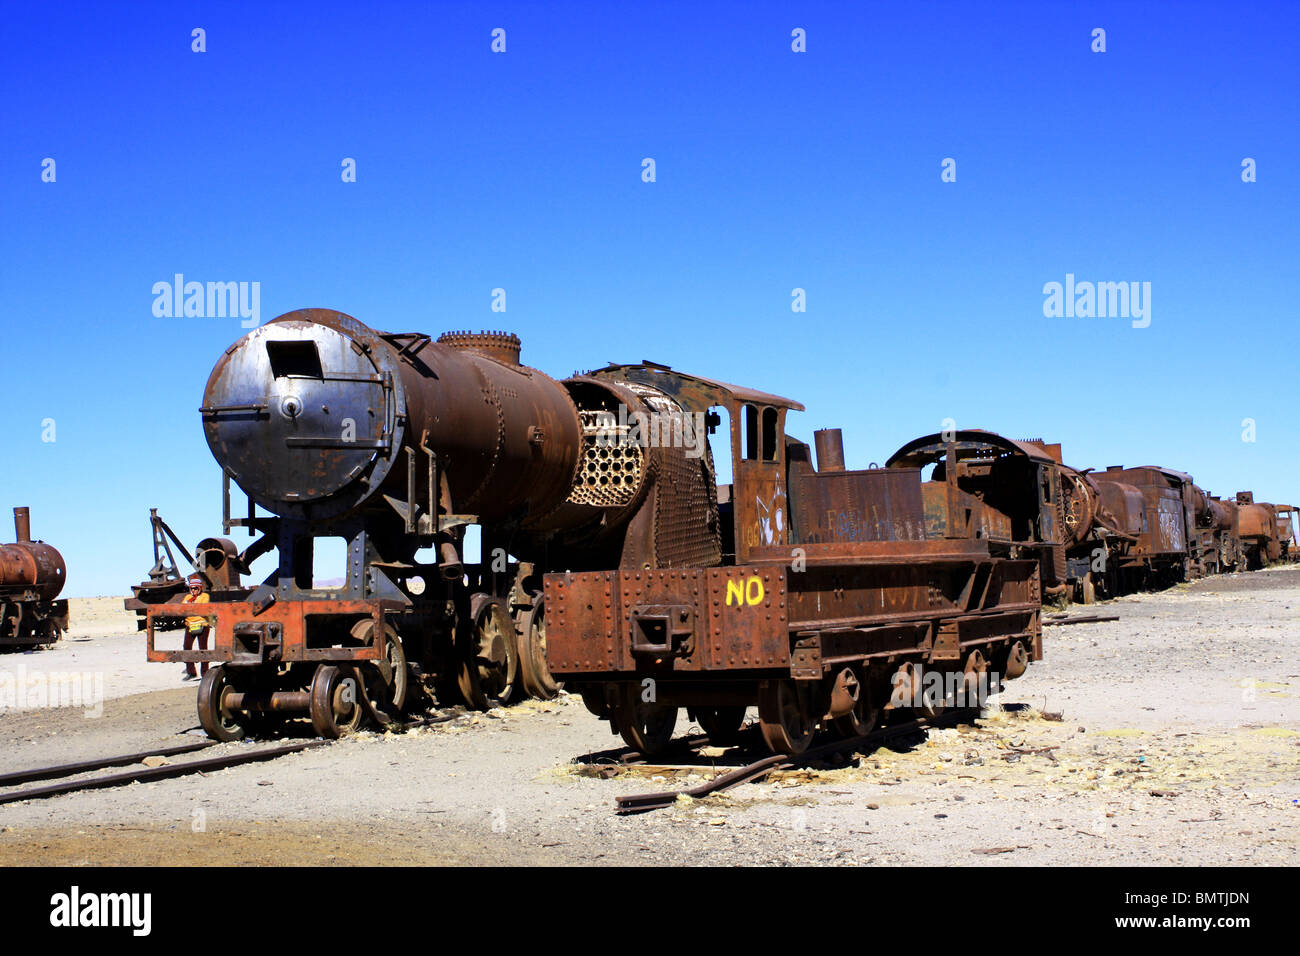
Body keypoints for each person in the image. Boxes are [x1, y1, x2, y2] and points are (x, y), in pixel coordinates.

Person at [181, 574, 212, 681]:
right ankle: (191, 672)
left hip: (202, 625)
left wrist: (191, 605)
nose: (193, 590)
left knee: (203, 649)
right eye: (191, 588)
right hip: (190, 625)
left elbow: (201, 608)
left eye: (195, 588)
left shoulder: (205, 596)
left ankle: (205, 673)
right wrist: (191, 604)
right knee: (186, 647)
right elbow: (183, 608)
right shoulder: (187, 597)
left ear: (200, 588)